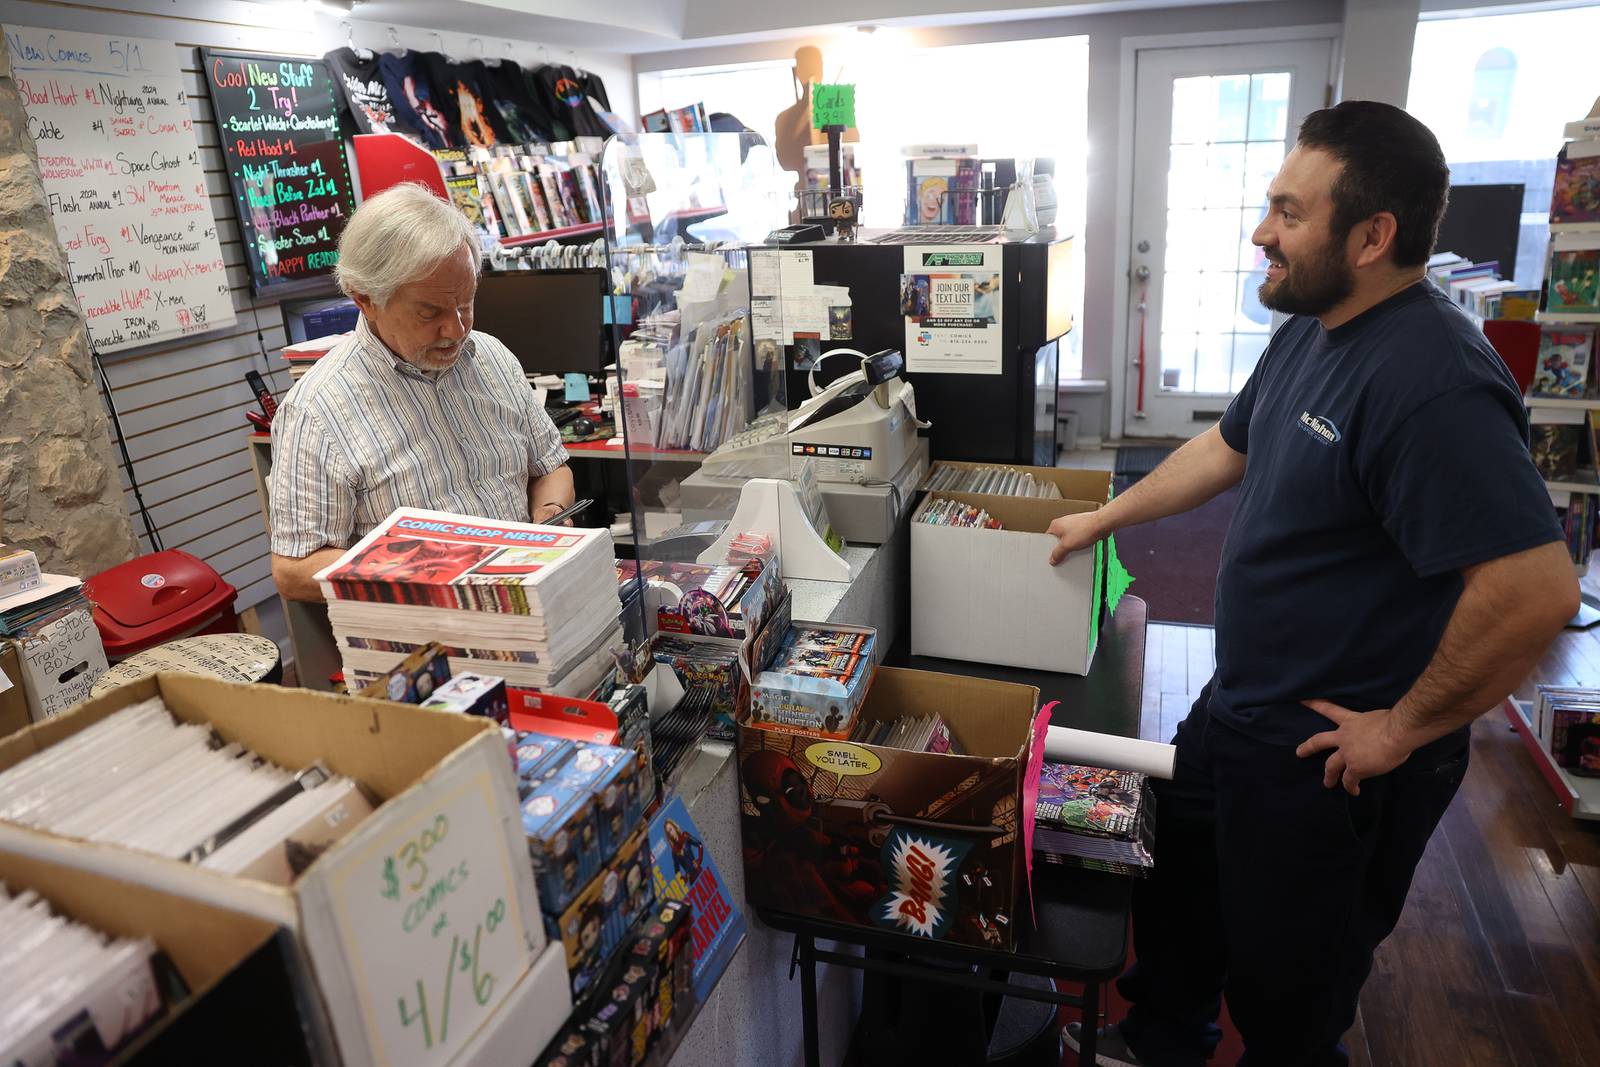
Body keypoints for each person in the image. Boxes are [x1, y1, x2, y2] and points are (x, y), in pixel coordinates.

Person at [1049, 101, 1577, 1066]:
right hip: (1242, 706)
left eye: (1289, 213)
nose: (1262, 232)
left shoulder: (1435, 381)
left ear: (1373, 236)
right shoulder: (1317, 322)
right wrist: (1105, 516)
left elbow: (1535, 594)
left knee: (1289, 993)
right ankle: (1161, 1040)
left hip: (1333, 754)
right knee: (1179, 908)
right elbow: (1227, 444)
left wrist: (1401, 728)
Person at [269, 183, 573, 603]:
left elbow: (551, 468)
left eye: (465, 303)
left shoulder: (492, 359)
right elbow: (293, 569)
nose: (457, 329)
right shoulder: (318, 412)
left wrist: (551, 518)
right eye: (429, 313)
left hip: (530, 598)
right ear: (366, 299)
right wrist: (418, 573)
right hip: (426, 632)